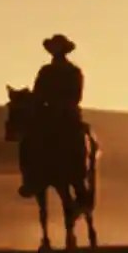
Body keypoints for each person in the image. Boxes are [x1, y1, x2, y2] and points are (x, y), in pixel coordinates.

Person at [28, 34, 87, 195]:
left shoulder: (74, 71)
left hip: (67, 113)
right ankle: (30, 177)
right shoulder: (45, 71)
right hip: (47, 113)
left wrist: (61, 104)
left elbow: (76, 95)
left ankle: (79, 176)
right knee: (29, 138)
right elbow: (37, 92)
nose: (55, 52)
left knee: (76, 139)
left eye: (58, 48)